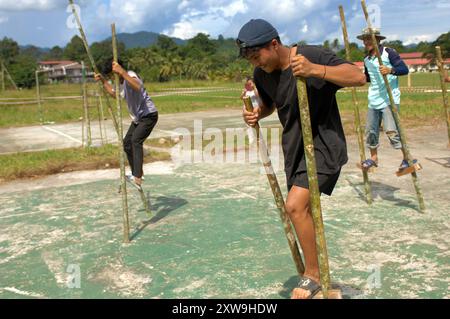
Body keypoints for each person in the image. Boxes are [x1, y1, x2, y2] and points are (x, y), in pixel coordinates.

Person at [237, 19, 366, 299]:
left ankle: (313, 275)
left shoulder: (311, 55)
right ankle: (319, 275)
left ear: (274, 44)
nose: (256, 64)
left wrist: (315, 71)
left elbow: (358, 76)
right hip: (295, 150)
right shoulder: (263, 73)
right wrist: (257, 113)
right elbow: (271, 104)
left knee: (294, 207)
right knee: (300, 211)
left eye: (257, 56)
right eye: (250, 60)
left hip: (324, 146)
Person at [357, 28, 417, 171]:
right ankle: (373, 158)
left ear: (378, 39)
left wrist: (390, 70)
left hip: (389, 99)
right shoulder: (366, 59)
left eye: (369, 39)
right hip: (374, 100)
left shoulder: (389, 52)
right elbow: (368, 78)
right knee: (371, 131)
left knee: (392, 131)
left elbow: (404, 69)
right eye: (364, 39)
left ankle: (407, 158)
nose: (366, 42)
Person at [95, 59, 158, 186]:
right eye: (110, 76)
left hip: (148, 115)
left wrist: (122, 72)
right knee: (127, 144)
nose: (112, 77)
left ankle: (138, 176)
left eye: (112, 75)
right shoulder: (120, 83)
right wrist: (103, 81)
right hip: (138, 119)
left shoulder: (130, 74)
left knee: (136, 140)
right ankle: (137, 172)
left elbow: (138, 86)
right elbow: (114, 94)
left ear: (118, 69)